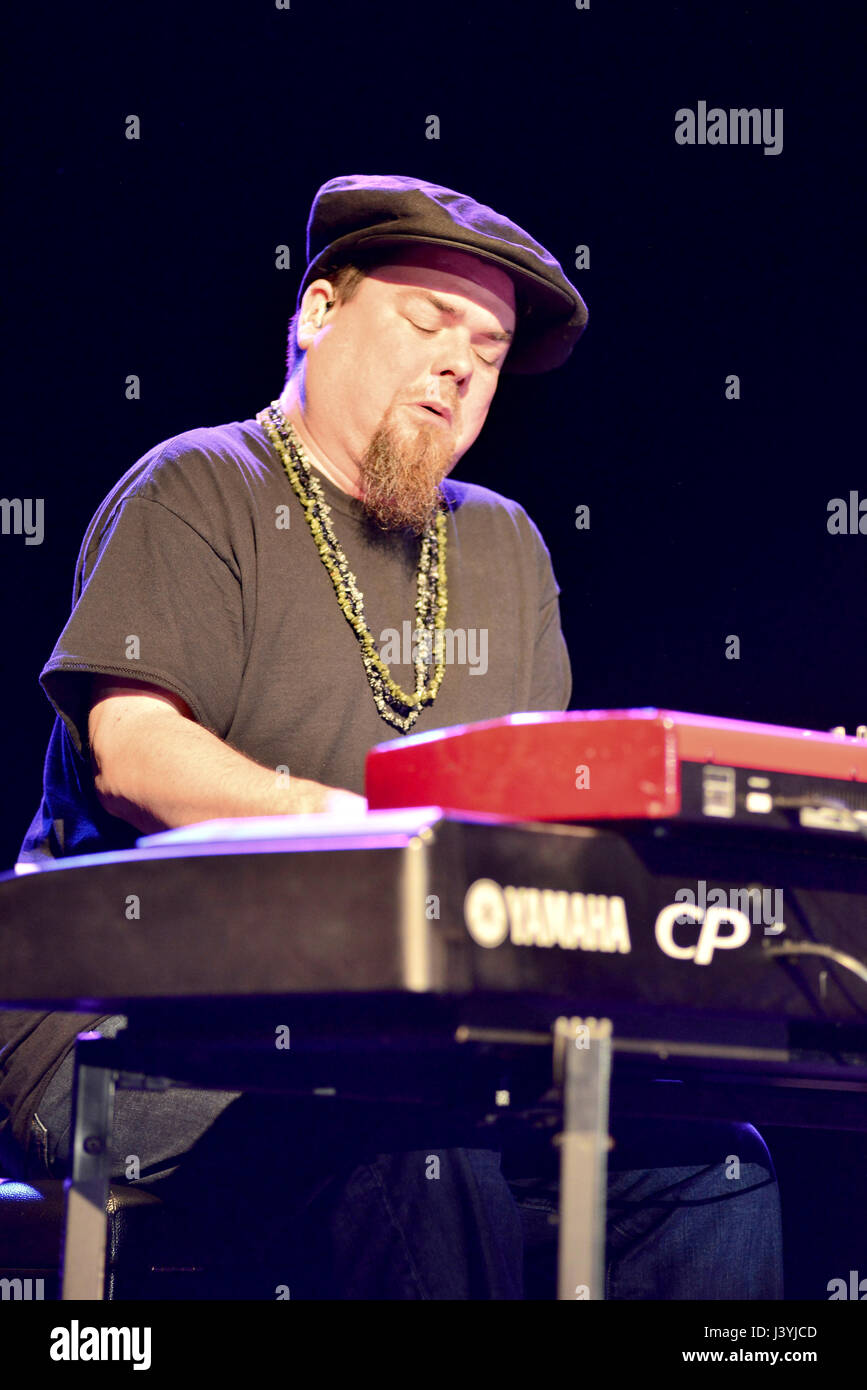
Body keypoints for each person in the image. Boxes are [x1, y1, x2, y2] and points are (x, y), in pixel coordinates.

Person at [0, 174, 782, 1298]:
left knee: (714, 1168)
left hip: (392, 1046)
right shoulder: (198, 486)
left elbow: (534, 825)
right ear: (317, 312)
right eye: (427, 322)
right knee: (414, 1149)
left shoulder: (507, 550)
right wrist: (369, 832)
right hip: (130, 1028)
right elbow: (135, 754)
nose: (463, 364)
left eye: (492, 349)